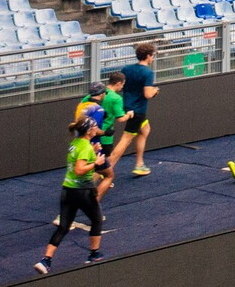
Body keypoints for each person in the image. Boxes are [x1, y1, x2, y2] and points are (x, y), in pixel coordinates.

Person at [36, 121, 103, 272]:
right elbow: (80, 169)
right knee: (97, 220)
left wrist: (93, 150)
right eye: (94, 128)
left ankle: (46, 260)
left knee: (64, 226)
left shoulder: (76, 143)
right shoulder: (85, 147)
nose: (97, 130)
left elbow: (79, 158)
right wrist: (96, 162)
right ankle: (94, 254)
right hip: (83, 191)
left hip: (68, 190)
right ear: (88, 131)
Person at [111, 43, 158, 177]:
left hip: (127, 106)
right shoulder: (148, 72)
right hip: (137, 110)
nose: (153, 58)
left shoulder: (126, 68)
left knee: (145, 129)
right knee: (126, 139)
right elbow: (148, 94)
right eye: (152, 56)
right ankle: (107, 168)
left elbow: (123, 86)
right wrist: (155, 91)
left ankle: (139, 164)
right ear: (148, 56)